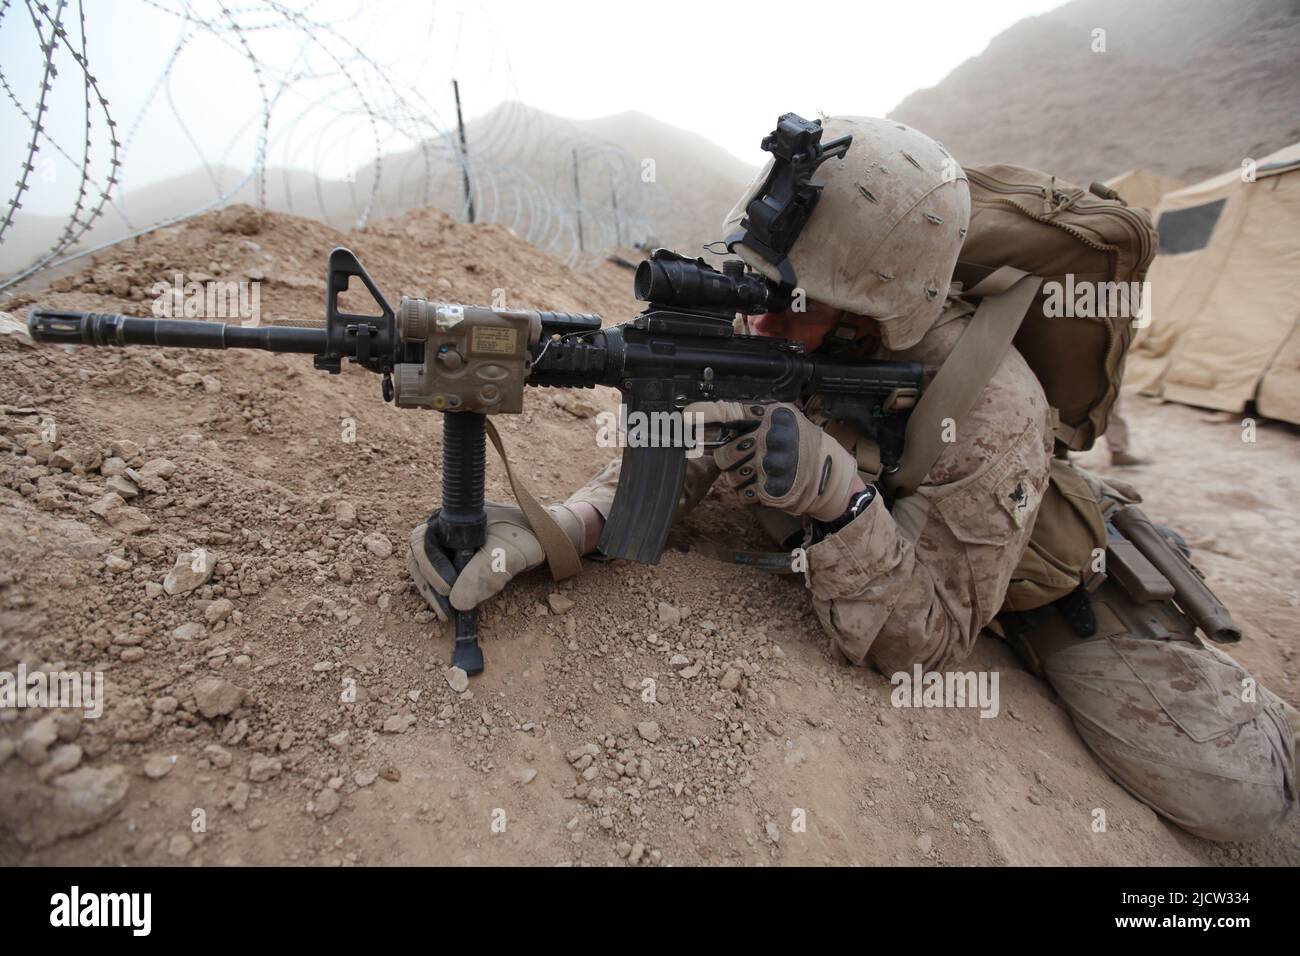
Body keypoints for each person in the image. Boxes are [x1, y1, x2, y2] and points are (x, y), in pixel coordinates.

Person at [408, 116, 1296, 842]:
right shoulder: (783, 331)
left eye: (786, 302)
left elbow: (939, 639)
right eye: (750, 284)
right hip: (913, 520)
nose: (752, 316)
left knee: (1233, 794)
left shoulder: (996, 408)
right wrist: (569, 523)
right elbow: (690, 443)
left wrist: (843, 507)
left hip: (1033, 575)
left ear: (877, 318)